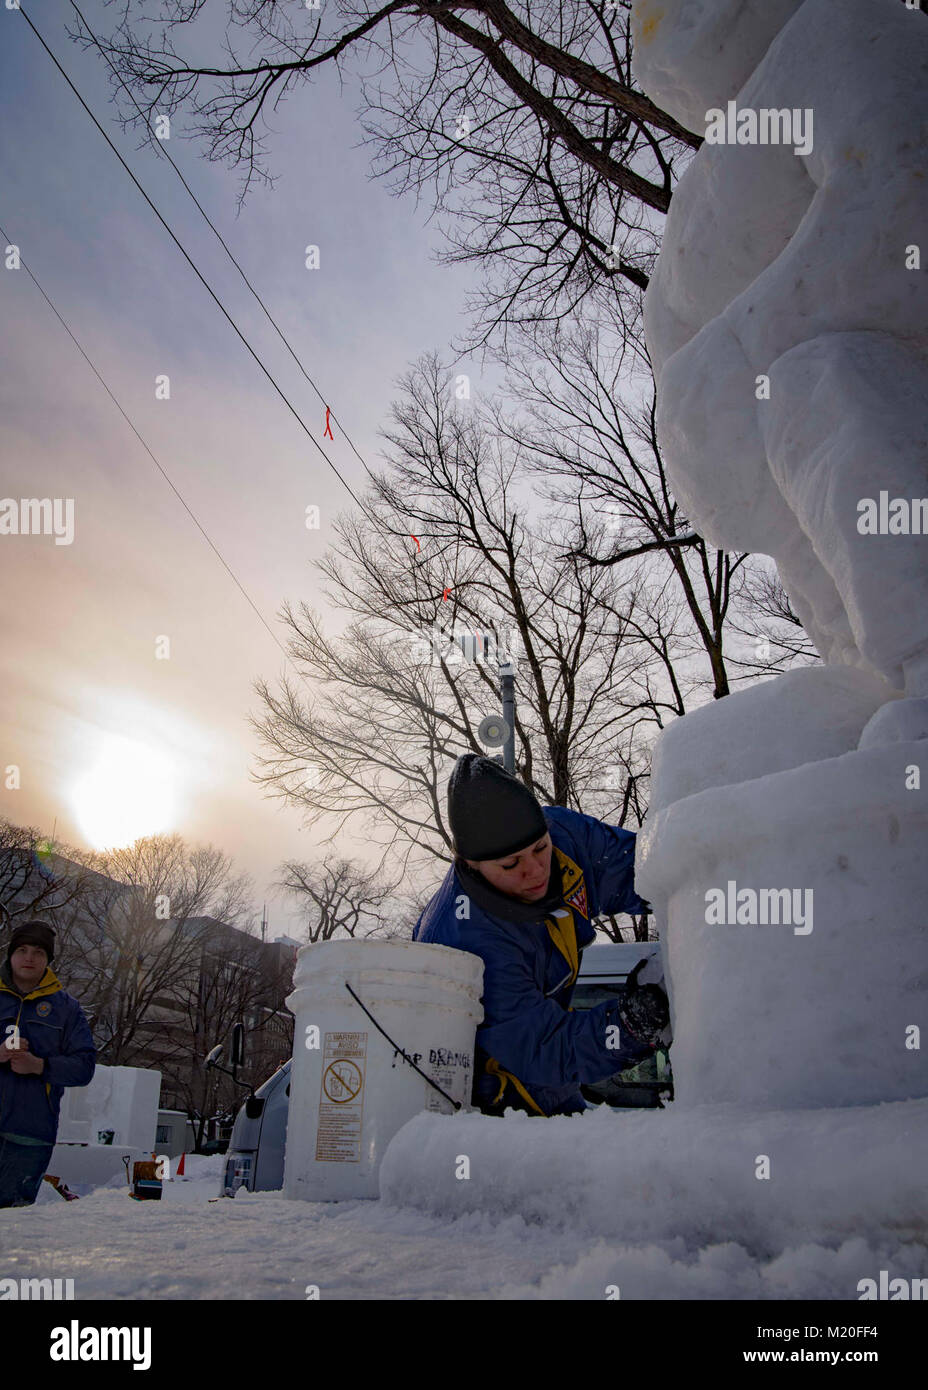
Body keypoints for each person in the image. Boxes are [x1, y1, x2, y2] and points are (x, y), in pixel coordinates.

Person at [414, 754, 671, 1117]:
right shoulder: (465, 942)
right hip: (496, 1109)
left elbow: (641, 870)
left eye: (539, 849)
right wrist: (632, 1023)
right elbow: (545, 1049)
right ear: (469, 864)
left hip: (558, 1091)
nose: (535, 871)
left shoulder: (565, 839)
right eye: (511, 864)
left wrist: (697, 883)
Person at [0, 920, 96, 1207]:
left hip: (30, 1135)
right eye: (22, 949)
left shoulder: (66, 1009)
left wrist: (39, 1066)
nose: (29, 957)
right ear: (11, 954)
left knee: (10, 1224)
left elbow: (84, 1066)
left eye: (39, 952)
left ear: (48, 960)